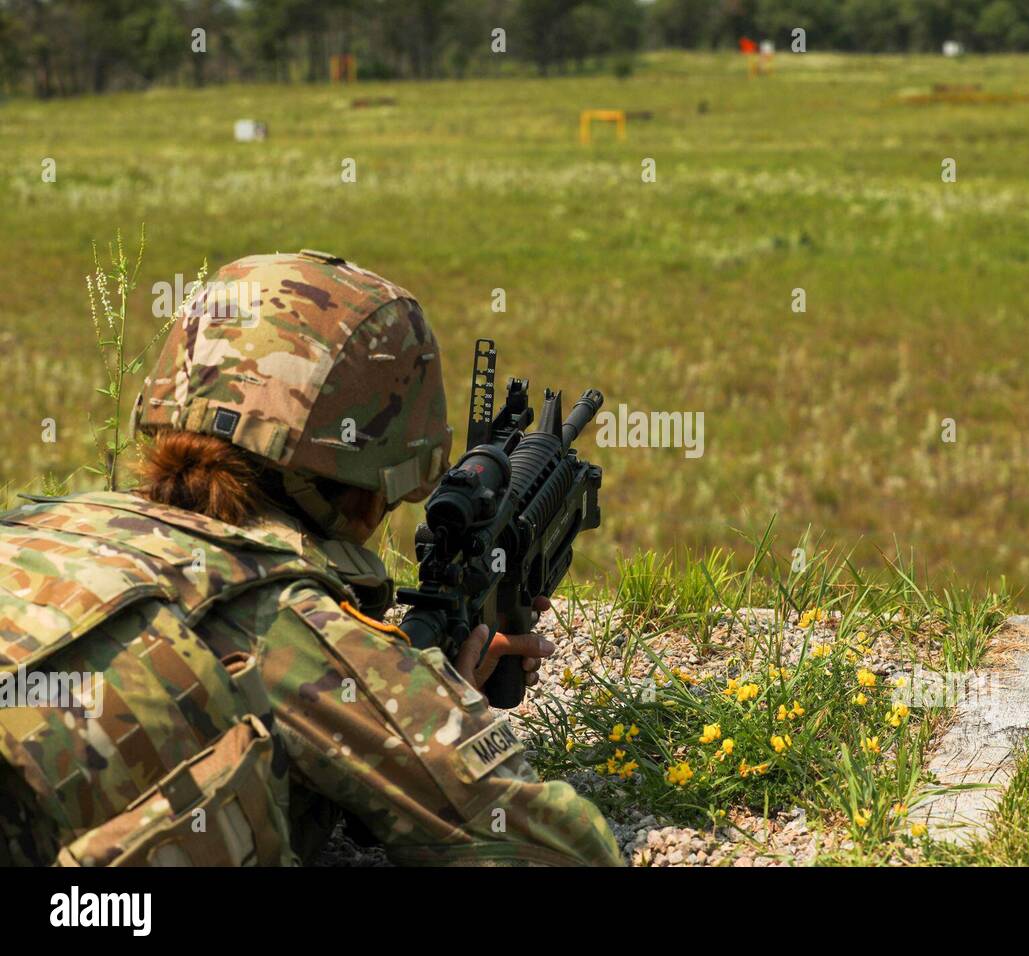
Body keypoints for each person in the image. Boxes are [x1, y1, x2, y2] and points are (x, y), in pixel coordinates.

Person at [0, 249, 622, 867]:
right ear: (369, 473)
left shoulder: (36, 528)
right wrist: (442, 715)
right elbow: (565, 852)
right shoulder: (278, 617)